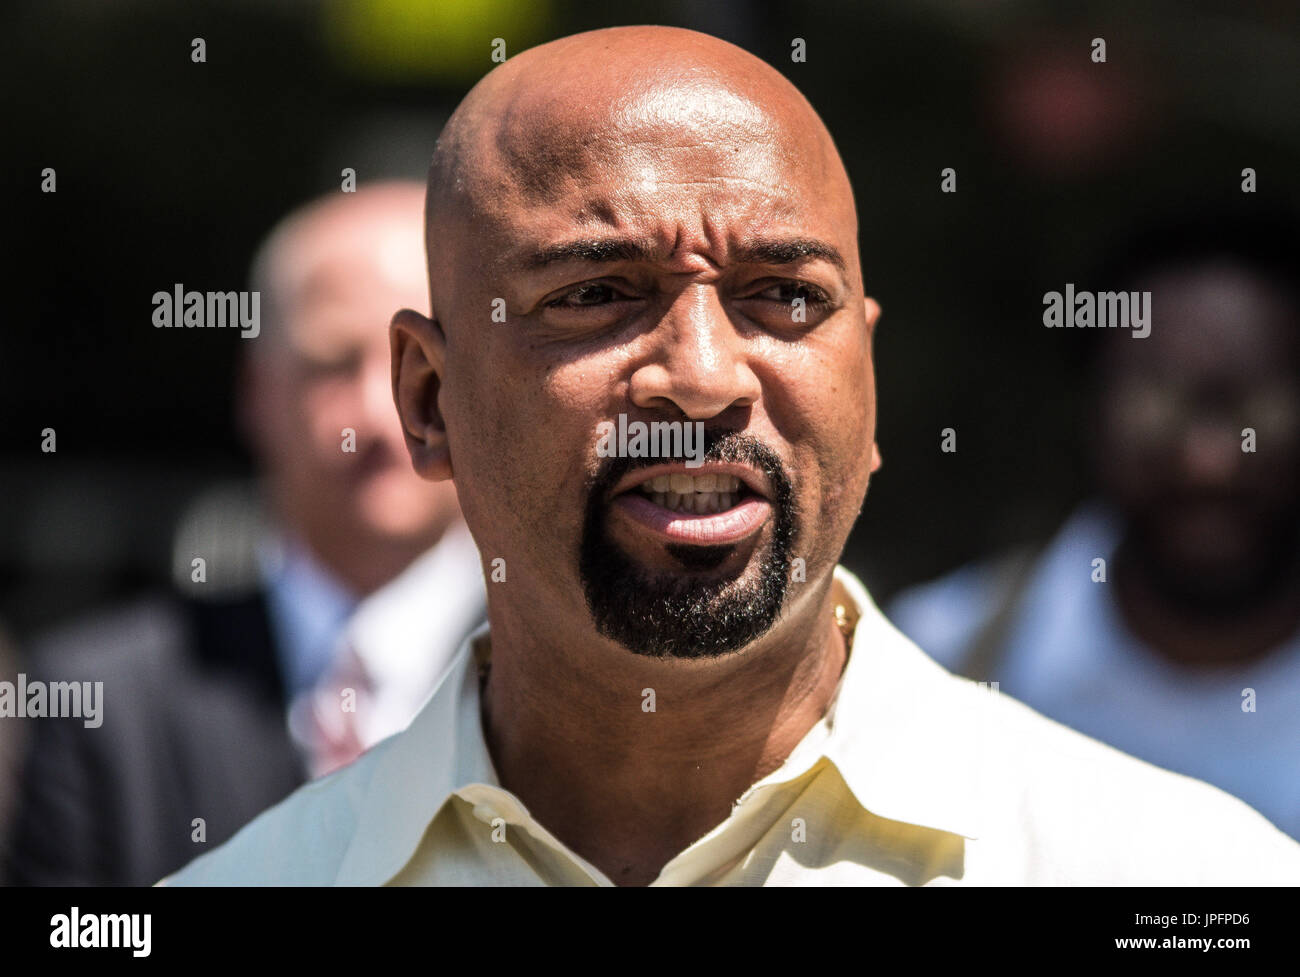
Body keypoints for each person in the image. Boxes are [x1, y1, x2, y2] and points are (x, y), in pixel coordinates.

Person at [165, 26, 1300, 886]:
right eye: (598, 294)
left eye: (783, 297)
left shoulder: (1180, 877)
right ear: (428, 402)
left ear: (867, 385)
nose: (703, 376)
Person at [7, 183, 484, 885]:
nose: (378, 420)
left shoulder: (579, 683)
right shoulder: (105, 704)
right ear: (258, 391)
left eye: (418, 372)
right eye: (331, 364)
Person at [889, 213, 1300, 840]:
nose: (1209, 462)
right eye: (1156, 403)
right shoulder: (937, 664)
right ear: (1091, 409)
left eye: (1264, 408)